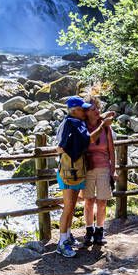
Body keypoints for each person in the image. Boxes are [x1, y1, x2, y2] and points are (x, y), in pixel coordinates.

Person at [55, 97, 92, 257]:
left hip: (76, 171)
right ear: (74, 110)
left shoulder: (78, 123)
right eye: (82, 109)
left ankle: (68, 236)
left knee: (72, 206)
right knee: (68, 207)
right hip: (68, 172)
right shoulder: (68, 123)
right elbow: (60, 147)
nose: (85, 111)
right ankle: (61, 243)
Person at [80, 97, 116, 248]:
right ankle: (89, 231)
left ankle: (100, 232)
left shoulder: (106, 127)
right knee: (88, 201)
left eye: (98, 108)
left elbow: (111, 150)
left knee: (102, 202)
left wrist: (113, 171)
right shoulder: (82, 127)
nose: (97, 111)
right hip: (87, 168)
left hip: (103, 168)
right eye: (93, 109)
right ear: (86, 112)